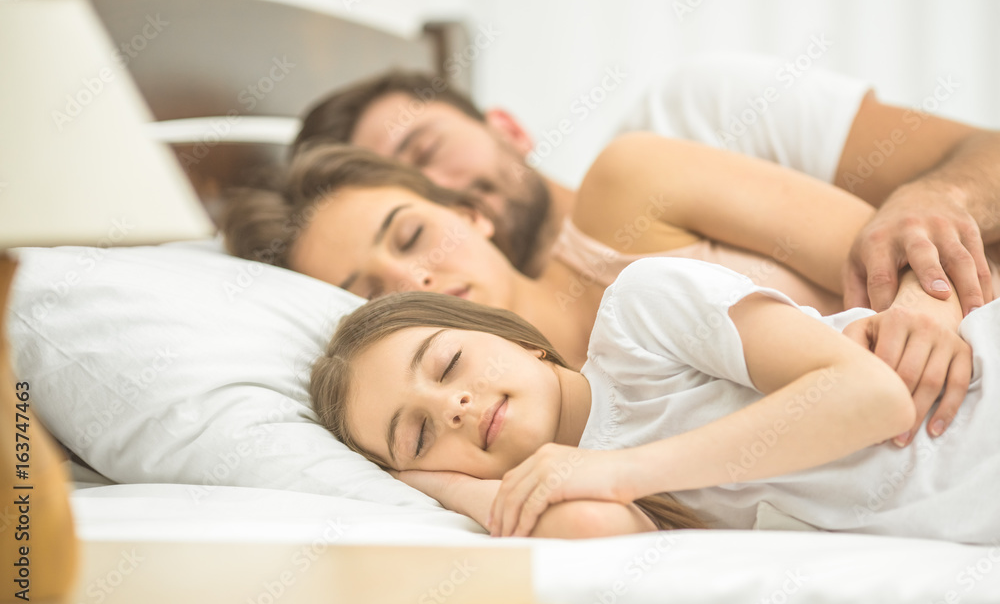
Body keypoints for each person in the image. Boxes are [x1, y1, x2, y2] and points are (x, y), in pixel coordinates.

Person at [224, 135, 993, 444]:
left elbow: (898, 245)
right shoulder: (494, 433)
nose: (413, 277)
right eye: (367, 291)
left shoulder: (633, 188)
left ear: (469, 213)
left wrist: (929, 302)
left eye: (411, 235)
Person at [308, 257, 999, 543]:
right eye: (421, 434)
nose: (452, 406)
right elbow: (589, 531)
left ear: (521, 341)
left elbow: (873, 396)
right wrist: (447, 488)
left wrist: (623, 469)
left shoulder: (639, 314)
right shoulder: (596, 498)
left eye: (448, 362)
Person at [291, 56, 1000, 316]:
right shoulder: (523, 366)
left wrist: (937, 199)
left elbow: (987, 152)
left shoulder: (689, 112)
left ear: (506, 125)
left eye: (427, 149)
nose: (443, 193)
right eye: (409, 195)